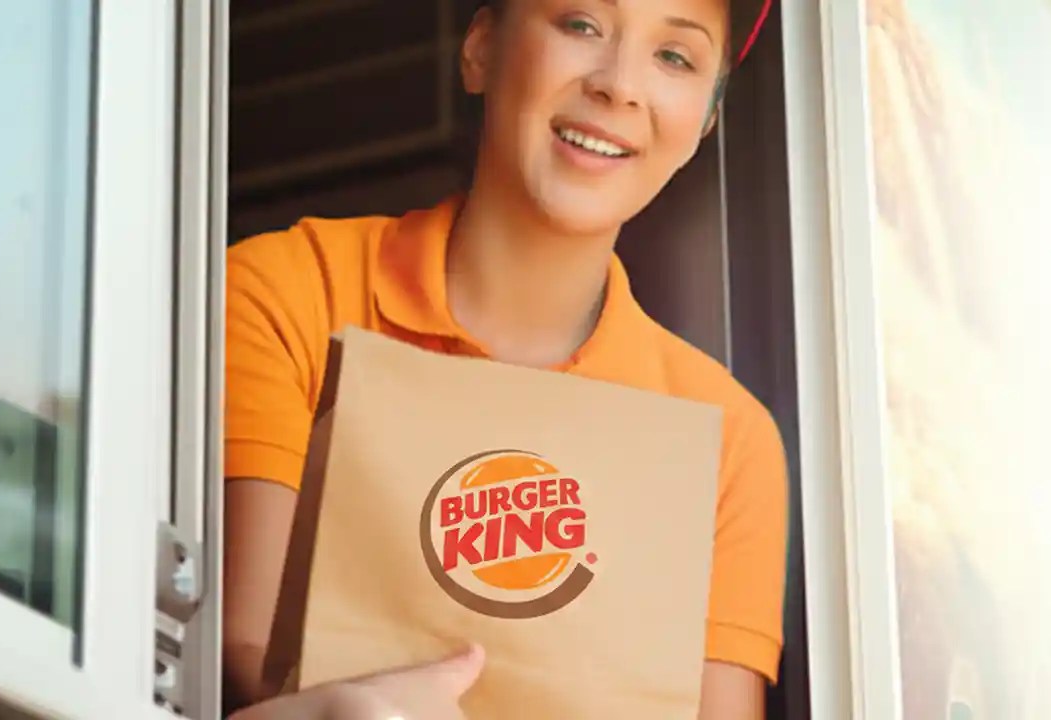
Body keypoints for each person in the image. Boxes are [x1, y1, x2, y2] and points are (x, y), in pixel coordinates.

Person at [223, 0, 786, 717]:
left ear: (703, 123)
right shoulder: (289, 291)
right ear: (480, 50)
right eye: (582, 24)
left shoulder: (727, 441)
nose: (620, 85)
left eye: (674, 57)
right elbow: (239, 655)